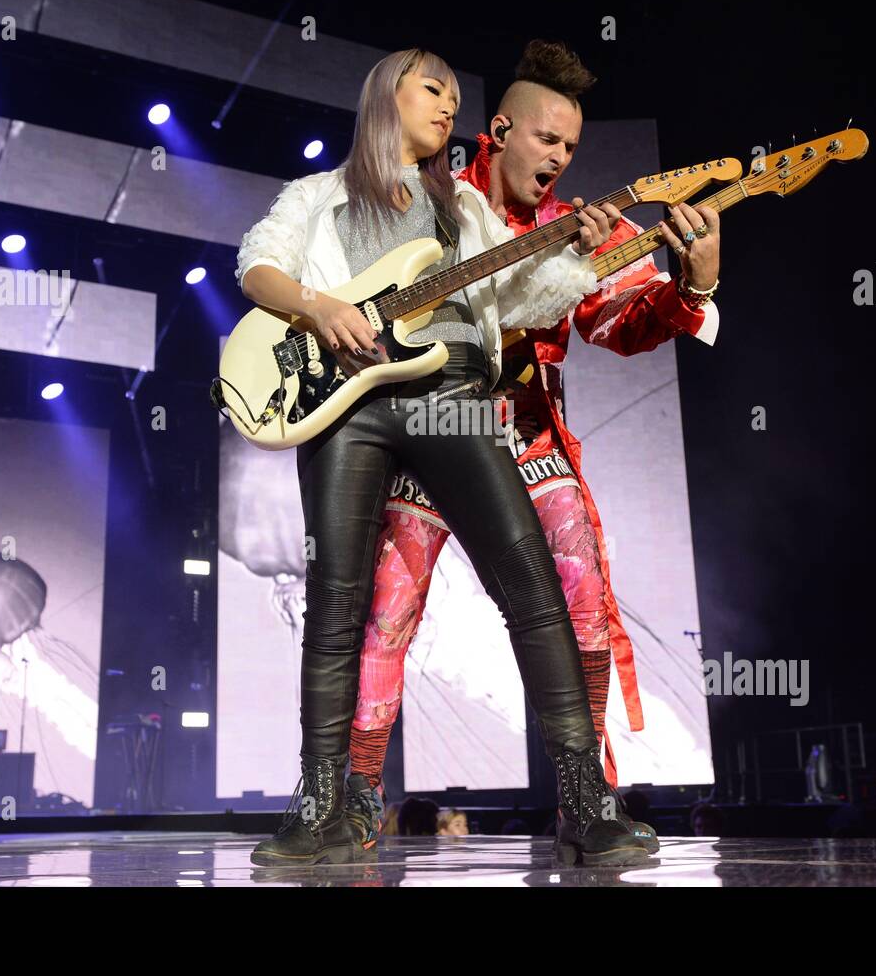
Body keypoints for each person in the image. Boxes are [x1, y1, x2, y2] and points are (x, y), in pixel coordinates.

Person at [235, 47, 649, 867]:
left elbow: (523, 295)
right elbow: (257, 265)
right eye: (435, 90)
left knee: (533, 586)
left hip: (454, 399)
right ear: (387, 92)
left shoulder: (460, 203)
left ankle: (584, 799)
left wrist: (578, 256)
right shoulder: (318, 195)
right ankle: (320, 800)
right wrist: (317, 306)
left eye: (457, 98)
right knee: (338, 603)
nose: (448, 108)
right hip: (348, 405)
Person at [345, 41, 721, 850]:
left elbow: (617, 321)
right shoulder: (431, 198)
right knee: (386, 616)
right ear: (502, 128)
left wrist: (691, 283)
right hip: (437, 433)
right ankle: (354, 800)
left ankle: (587, 801)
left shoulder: (572, 227)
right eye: (547, 139)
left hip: (521, 431)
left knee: (581, 584)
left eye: (571, 148)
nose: (559, 158)